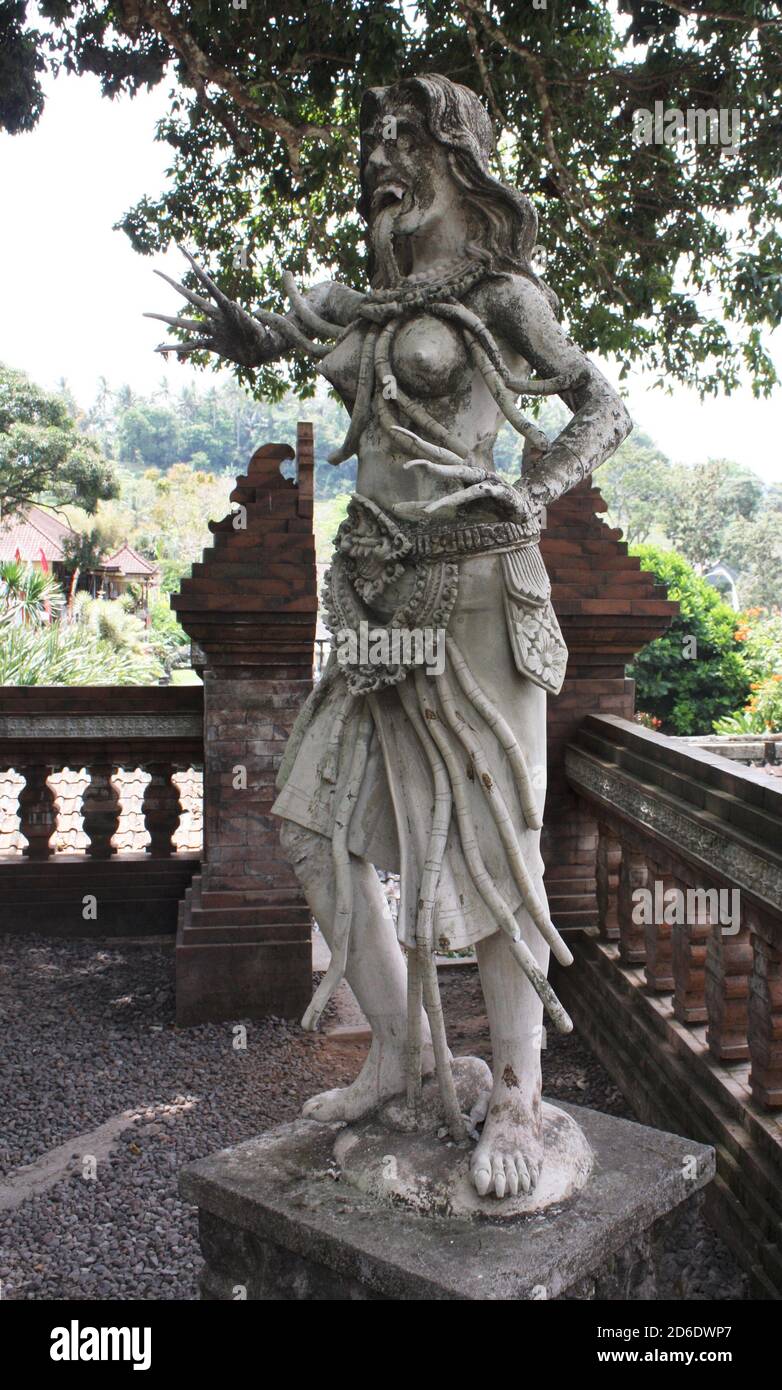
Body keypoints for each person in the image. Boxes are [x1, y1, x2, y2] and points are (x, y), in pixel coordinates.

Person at [149, 74, 631, 1199]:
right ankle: (404, 1053)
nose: (378, 157)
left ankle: (514, 1091)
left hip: (474, 595)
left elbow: (599, 403)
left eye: (402, 138)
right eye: (369, 139)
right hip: (372, 601)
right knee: (314, 822)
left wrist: (538, 487)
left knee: (496, 847)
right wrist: (241, 329)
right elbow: (276, 330)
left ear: (456, 157)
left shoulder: (506, 295)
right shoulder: (365, 306)